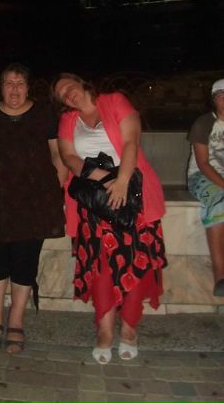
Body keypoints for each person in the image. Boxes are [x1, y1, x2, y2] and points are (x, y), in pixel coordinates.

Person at [51, 73, 167, 364]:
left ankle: (129, 328)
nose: (67, 94)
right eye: (61, 95)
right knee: (101, 267)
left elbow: (131, 142)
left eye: (68, 87)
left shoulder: (114, 101)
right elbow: (68, 156)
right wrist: (104, 179)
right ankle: (104, 330)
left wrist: (122, 181)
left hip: (133, 194)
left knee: (136, 263)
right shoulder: (68, 119)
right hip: (94, 202)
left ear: (81, 83)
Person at [0, 62, 66, 354]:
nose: (15, 89)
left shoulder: (45, 115)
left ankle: (16, 318)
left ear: (28, 87)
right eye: (9, 83)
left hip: (34, 203)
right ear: (1, 87)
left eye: (20, 83)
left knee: (25, 261)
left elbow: (58, 153)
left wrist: (56, 188)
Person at [187, 78, 224, 297]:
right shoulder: (204, 123)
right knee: (220, 201)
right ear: (213, 100)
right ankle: (220, 277)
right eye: (220, 96)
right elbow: (203, 164)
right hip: (201, 176)